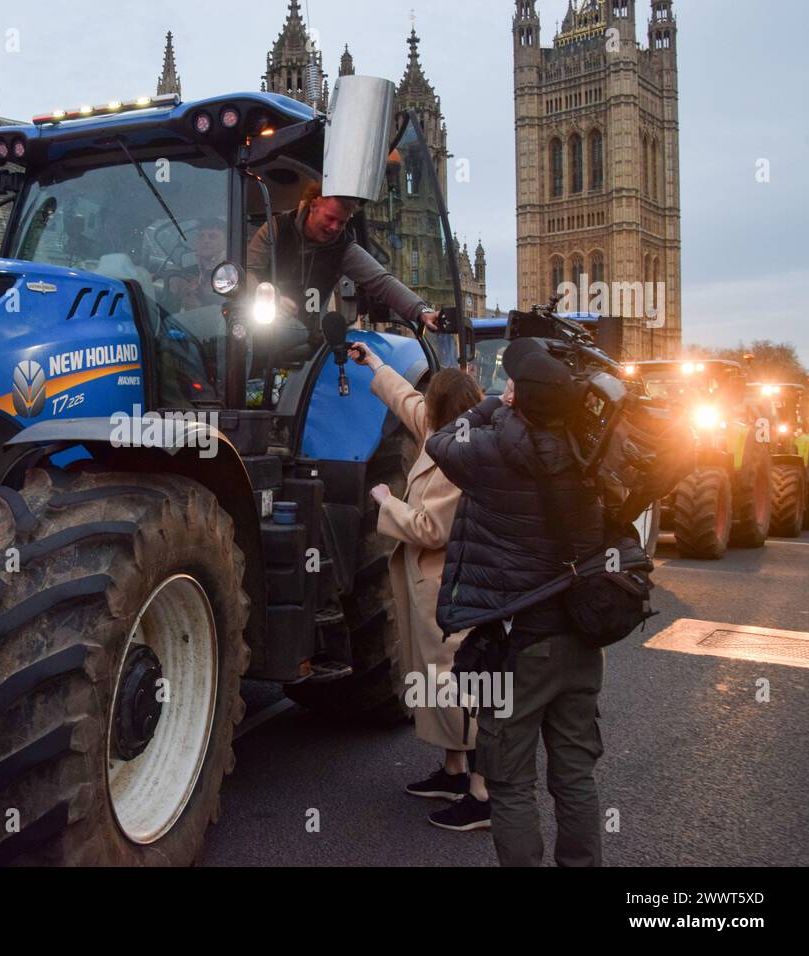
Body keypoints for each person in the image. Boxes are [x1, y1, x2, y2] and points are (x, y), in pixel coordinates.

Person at [425, 338, 606, 866]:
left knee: (510, 782)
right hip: (581, 636)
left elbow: (439, 440)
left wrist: (490, 405)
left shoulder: (490, 453)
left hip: (521, 644)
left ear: (517, 396)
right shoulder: (589, 450)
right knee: (575, 777)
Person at [350, 342, 491, 831]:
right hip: (427, 584)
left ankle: (483, 792)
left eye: (431, 398)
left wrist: (387, 502)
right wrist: (374, 364)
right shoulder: (442, 431)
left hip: (449, 587)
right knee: (434, 678)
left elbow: (433, 529)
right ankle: (454, 772)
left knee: (458, 683)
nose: (422, 404)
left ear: (445, 408)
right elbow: (405, 400)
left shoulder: (464, 457)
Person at [246, 181, 440, 336]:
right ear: (313, 205)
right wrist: (265, 296)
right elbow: (248, 270)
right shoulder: (277, 228)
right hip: (255, 323)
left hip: (305, 335)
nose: (334, 227)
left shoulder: (344, 248)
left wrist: (421, 311)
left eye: (342, 222)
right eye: (330, 218)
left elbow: (382, 281)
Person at [165, 218, 227, 311]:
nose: (206, 240)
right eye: (201, 236)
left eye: (213, 236)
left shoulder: (232, 272)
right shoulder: (184, 273)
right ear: (195, 242)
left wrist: (199, 308)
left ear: (226, 242)